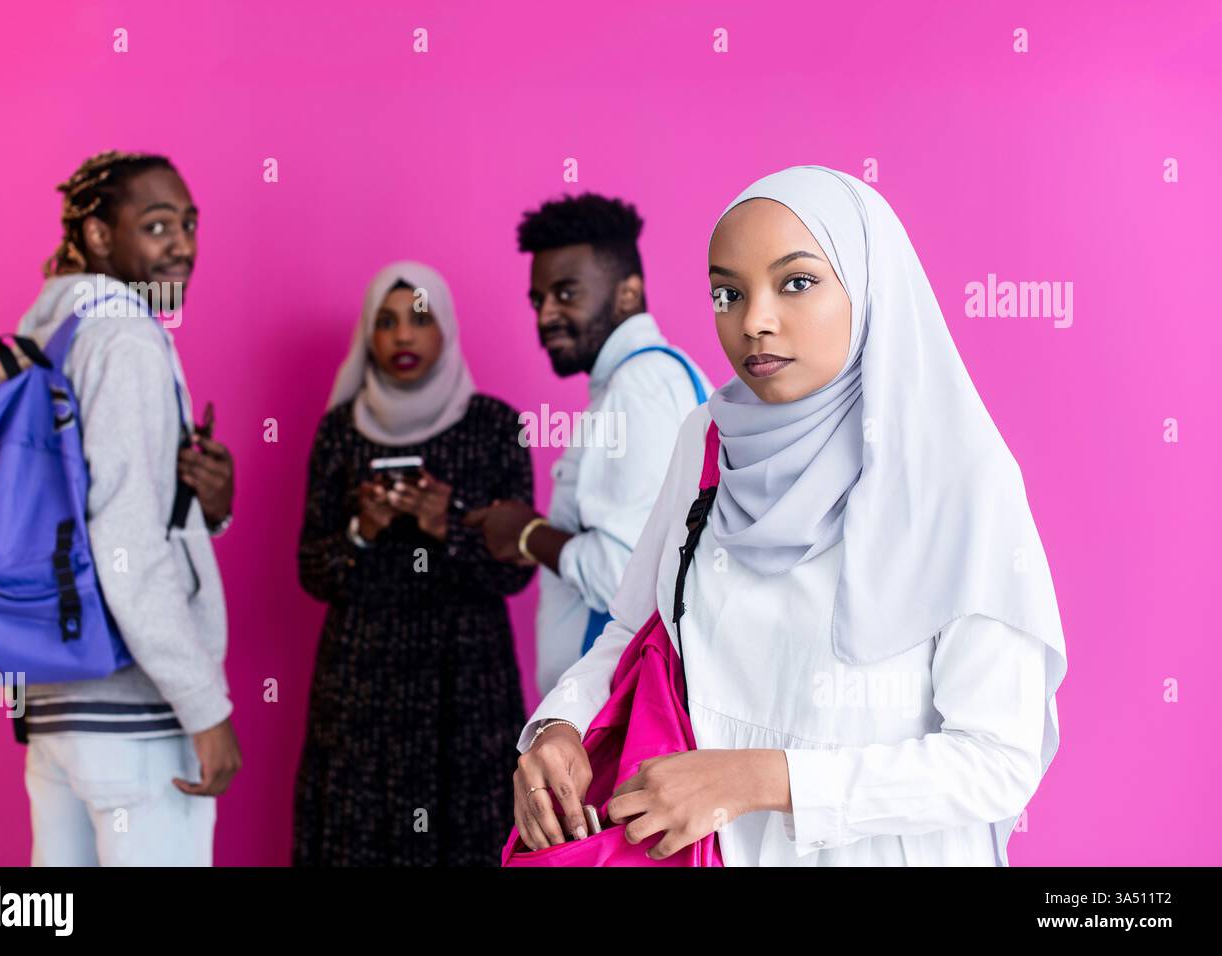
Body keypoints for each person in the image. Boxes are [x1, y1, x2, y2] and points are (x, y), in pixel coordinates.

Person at [511, 165, 1068, 866]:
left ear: (867, 286)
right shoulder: (707, 440)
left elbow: (997, 760)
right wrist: (560, 724)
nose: (755, 321)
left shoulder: (957, 478)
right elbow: (632, 628)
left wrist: (761, 778)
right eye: (729, 292)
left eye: (796, 282)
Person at [8, 151, 241, 866]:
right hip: (135, 714)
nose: (183, 245)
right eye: (157, 225)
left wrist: (207, 509)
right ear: (100, 237)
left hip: (53, 705)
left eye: (190, 223)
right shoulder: (127, 338)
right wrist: (205, 707)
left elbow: (71, 513)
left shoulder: (39, 336)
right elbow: (126, 547)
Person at [294, 260, 536, 866]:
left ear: (446, 329)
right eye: (386, 321)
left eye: (420, 318)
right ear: (367, 338)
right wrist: (362, 530)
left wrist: (445, 523)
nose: (403, 336)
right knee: (357, 834)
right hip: (361, 682)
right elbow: (312, 571)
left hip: (466, 680)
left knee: (468, 835)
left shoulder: (495, 426)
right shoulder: (341, 432)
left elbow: (517, 568)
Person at [465, 194, 712, 695]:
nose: (546, 315)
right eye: (538, 300)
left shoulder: (635, 390)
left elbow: (625, 576)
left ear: (627, 294)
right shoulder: (665, 373)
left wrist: (528, 534)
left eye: (566, 293)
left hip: (610, 712)